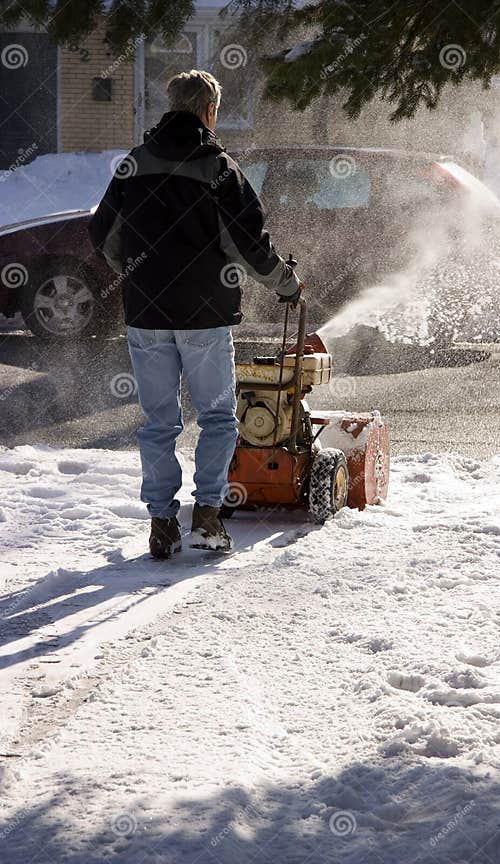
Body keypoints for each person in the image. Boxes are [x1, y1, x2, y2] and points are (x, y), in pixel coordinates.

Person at [89, 70, 302, 556]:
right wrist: (286, 284)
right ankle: (207, 516)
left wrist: (138, 274)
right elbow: (248, 243)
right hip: (204, 315)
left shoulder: (134, 164)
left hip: (145, 313)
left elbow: (102, 235)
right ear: (210, 111)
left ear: (169, 107)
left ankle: (162, 523)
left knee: (158, 422)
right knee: (218, 417)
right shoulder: (218, 167)